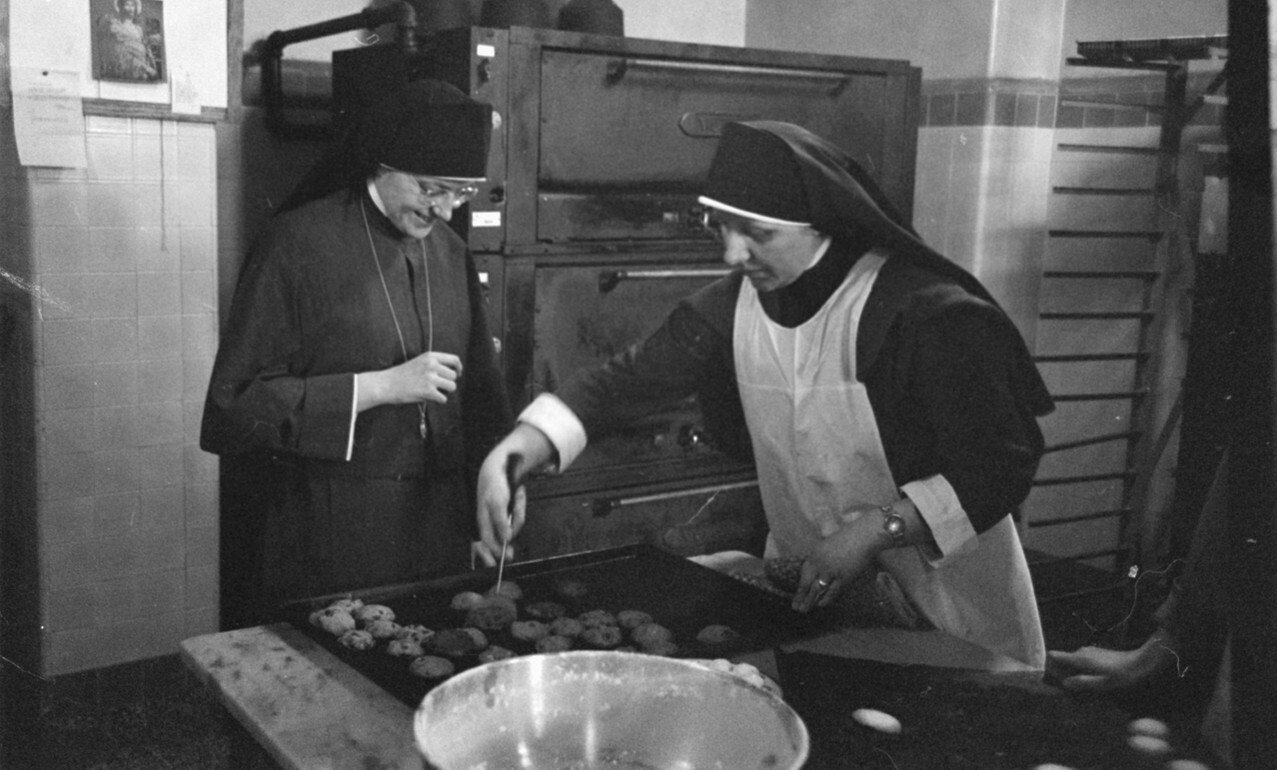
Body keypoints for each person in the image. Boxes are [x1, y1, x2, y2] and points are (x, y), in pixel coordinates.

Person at [474, 121, 1056, 668]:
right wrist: (513, 453)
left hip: (949, 606)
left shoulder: (922, 313)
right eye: (720, 228)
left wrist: (872, 532)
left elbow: (1001, 466)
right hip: (817, 598)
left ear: (821, 224)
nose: (732, 254)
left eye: (758, 234)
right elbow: (623, 383)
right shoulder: (732, 306)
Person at [201, 79, 511, 629]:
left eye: (461, 194)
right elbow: (233, 408)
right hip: (334, 533)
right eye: (432, 189)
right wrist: (378, 387)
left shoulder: (451, 253)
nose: (444, 211)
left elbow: (481, 394)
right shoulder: (295, 244)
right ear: (384, 164)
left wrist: (501, 472)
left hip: (436, 532)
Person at [94, 0, 161, 81]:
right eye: (127, 5)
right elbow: (119, 51)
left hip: (144, 70)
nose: (131, 9)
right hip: (128, 69)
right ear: (120, 7)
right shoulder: (115, 27)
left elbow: (145, 49)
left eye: (132, 5)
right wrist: (145, 68)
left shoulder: (138, 29)